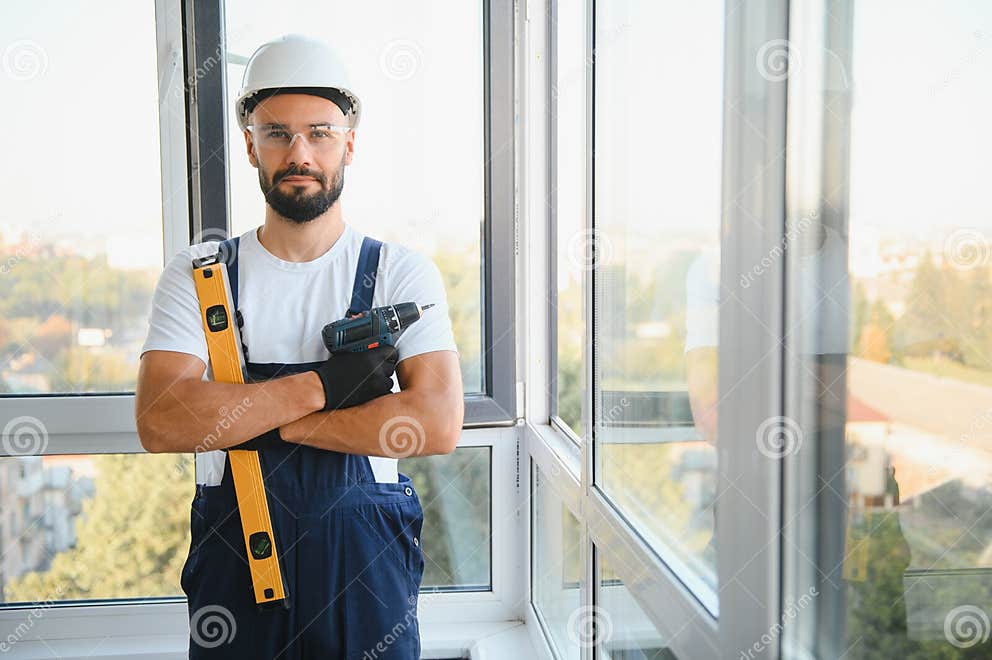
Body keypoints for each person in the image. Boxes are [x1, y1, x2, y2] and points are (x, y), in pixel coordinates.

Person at [134, 34, 463, 659]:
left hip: (366, 572)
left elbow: (435, 424)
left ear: (350, 142)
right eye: (277, 133)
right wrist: (326, 388)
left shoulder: (400, 273)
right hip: (236, 569)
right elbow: (161, 420)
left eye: (319, 132)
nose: (299, 152)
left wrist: (258, 420)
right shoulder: (201, 274)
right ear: (251, 143)